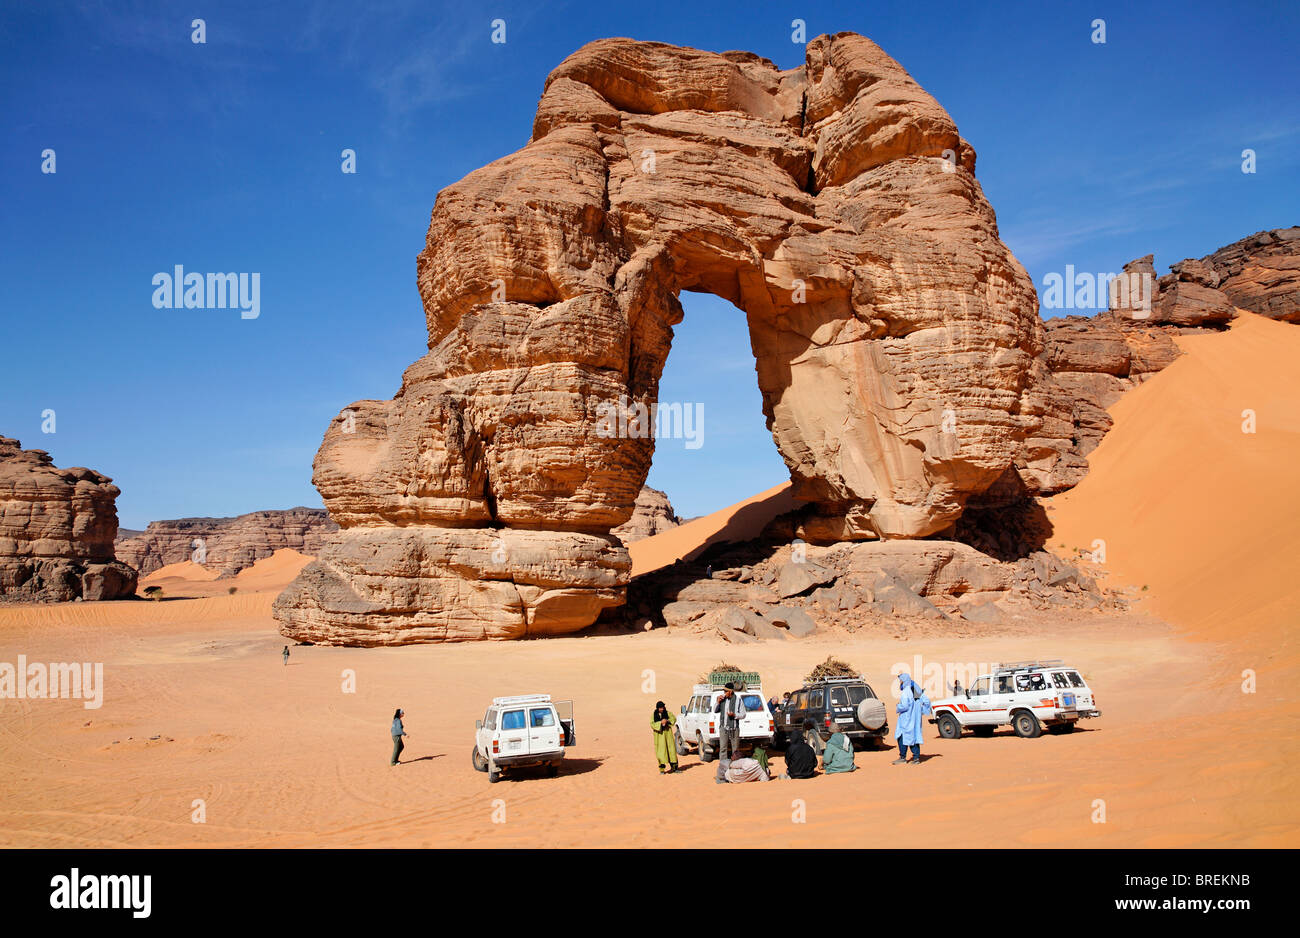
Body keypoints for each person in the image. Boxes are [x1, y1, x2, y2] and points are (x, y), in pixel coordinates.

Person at [713, 683, 747, 784]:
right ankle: (722, 771)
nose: (724, 693)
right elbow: (715, 710)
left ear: (731, 691)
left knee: (735, 750)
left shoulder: (738, 700)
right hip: (723, 727)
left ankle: (734, 772)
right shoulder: (722, 700)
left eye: (726, 691)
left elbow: (743, 714)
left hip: (734, 728)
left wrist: (734, 715)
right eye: (724, 691)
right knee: (723, 749)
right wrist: (717, 702)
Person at [893, 673, 927, 765]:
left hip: (906, 718)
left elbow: (905, 706)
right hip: (912, 718)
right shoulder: (912, 690)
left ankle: (903, 757)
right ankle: (915, 758)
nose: (900, 682)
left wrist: (898, 706)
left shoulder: (906, 692)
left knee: (902, 737)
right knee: (912, 736)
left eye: (901, 681)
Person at [651, 700, 679, 774]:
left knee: (671, 752)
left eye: (663, 707)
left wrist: (667, 721)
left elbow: (673, 719)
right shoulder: (654, 715)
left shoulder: (668, 713)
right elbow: (652, 724)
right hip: (659, 737)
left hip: (668, 736)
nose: (662, 709)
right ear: (657, 708)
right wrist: (660, 723)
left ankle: (675, 768)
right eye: (660, 708)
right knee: (661, 754)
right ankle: (662, 770)